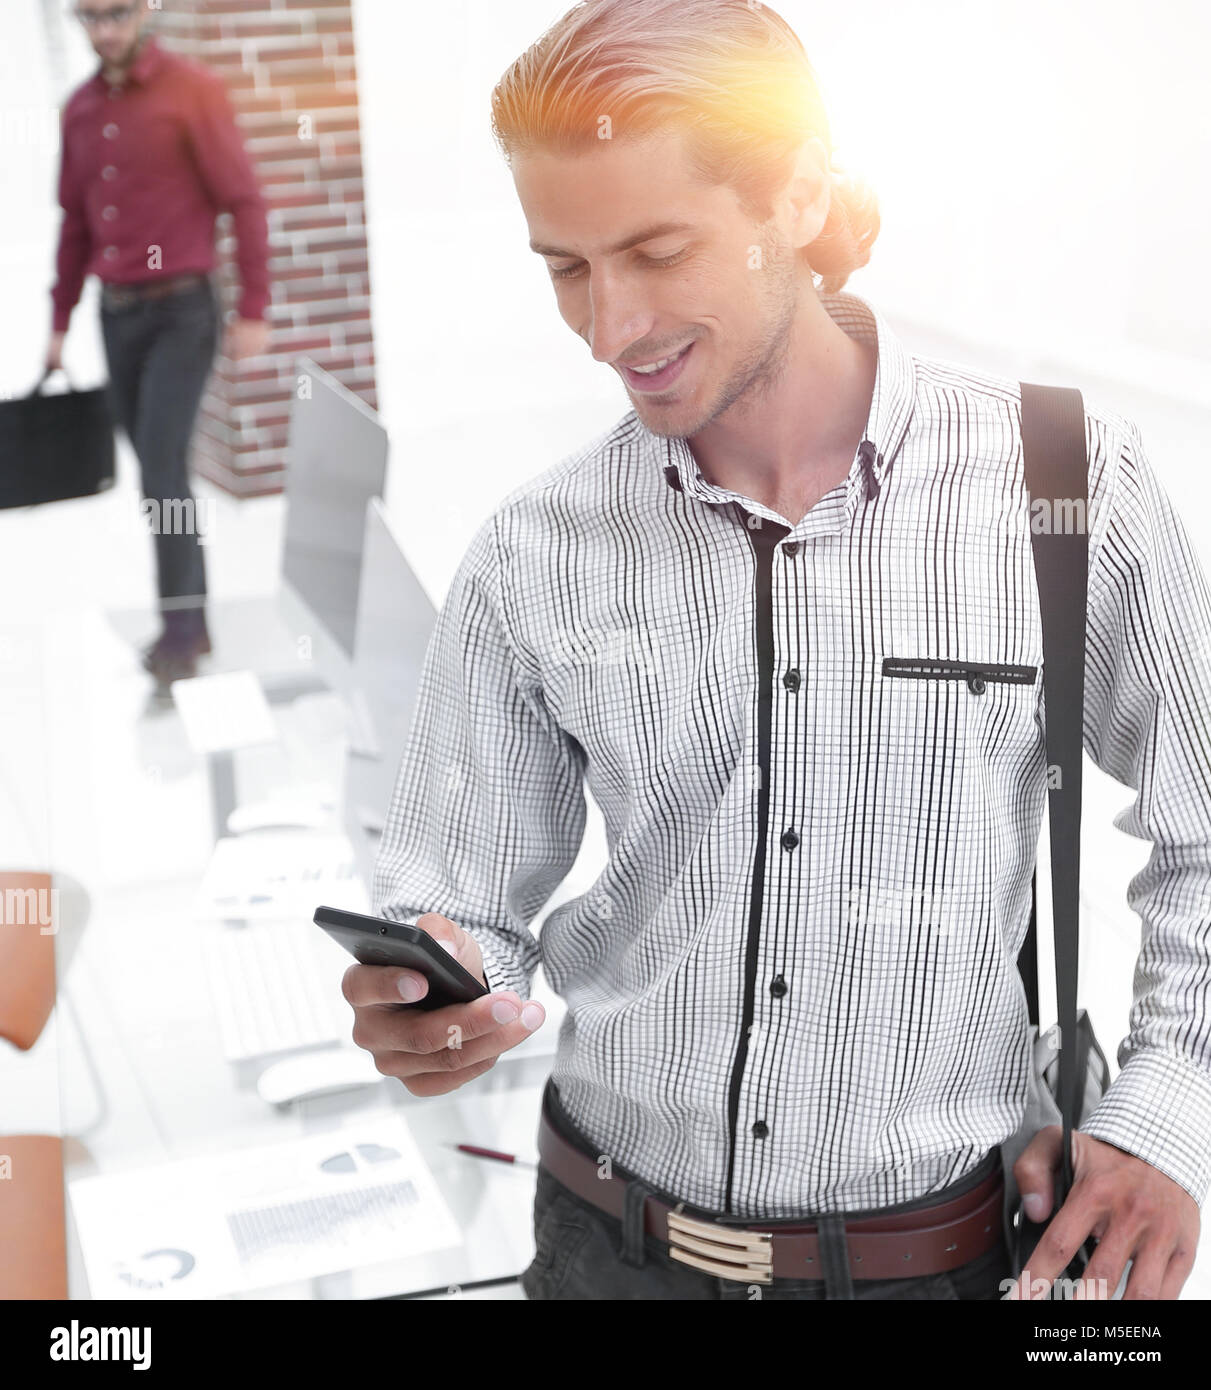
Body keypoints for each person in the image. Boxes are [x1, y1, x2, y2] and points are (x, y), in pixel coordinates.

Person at [343, 0, 1209, 1300]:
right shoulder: (535, 549)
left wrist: (1162, 1115)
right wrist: (444, 987)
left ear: (795, 192)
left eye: (654, 249)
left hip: (936, 1260)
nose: (606, 326)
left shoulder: (1061, 487)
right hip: (602, 1246)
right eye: (565, 267)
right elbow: (460, 891)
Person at [47, 2, 271, 686]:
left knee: (163, 469)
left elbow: (245, 199)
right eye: (87, 16)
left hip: (182, 312)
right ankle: (187, 615)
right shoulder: (79, 110)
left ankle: (183, 627)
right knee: (154, 468)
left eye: (114, 13)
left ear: (145, 9)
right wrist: (58, 321)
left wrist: (254, 307)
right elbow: (74, 226)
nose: (103, 29)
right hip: (116, 316)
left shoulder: (191, 90)